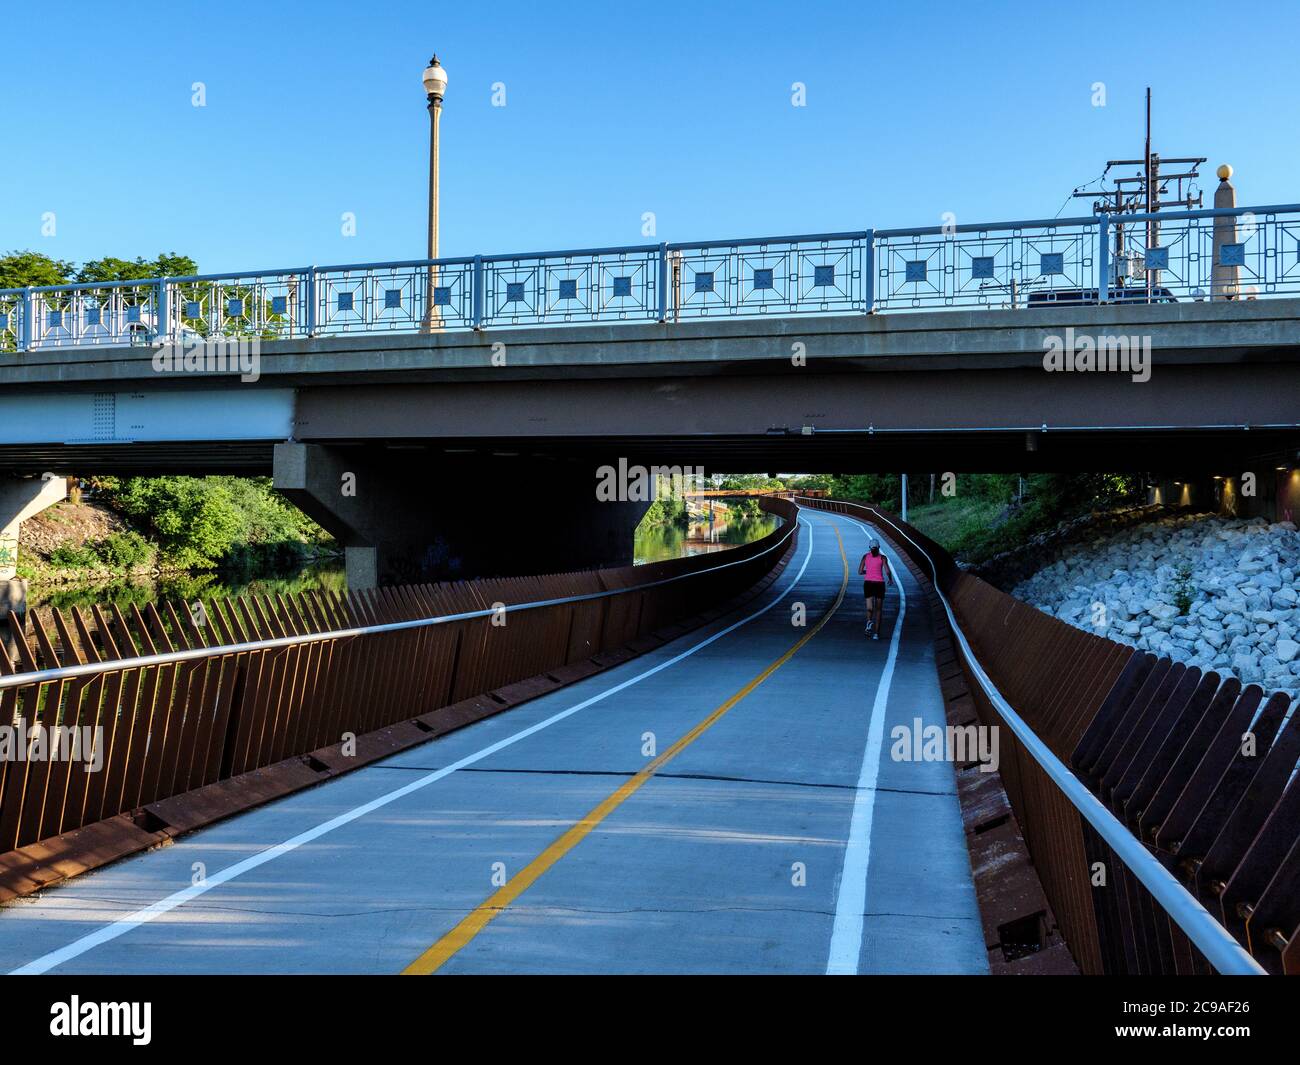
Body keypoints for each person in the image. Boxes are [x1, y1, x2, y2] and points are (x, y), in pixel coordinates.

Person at [859, 539, 890, 641]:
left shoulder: (865, 557)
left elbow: (859, 571)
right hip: (879, 584)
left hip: (868, 583)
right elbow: (887, 571)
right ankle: (876, 634)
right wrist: (890, 579)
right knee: (879, 610)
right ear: (879, 547)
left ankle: (868, 623)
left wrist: (868, 572)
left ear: (869, 547)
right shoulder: (883, 558)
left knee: (869, 608)